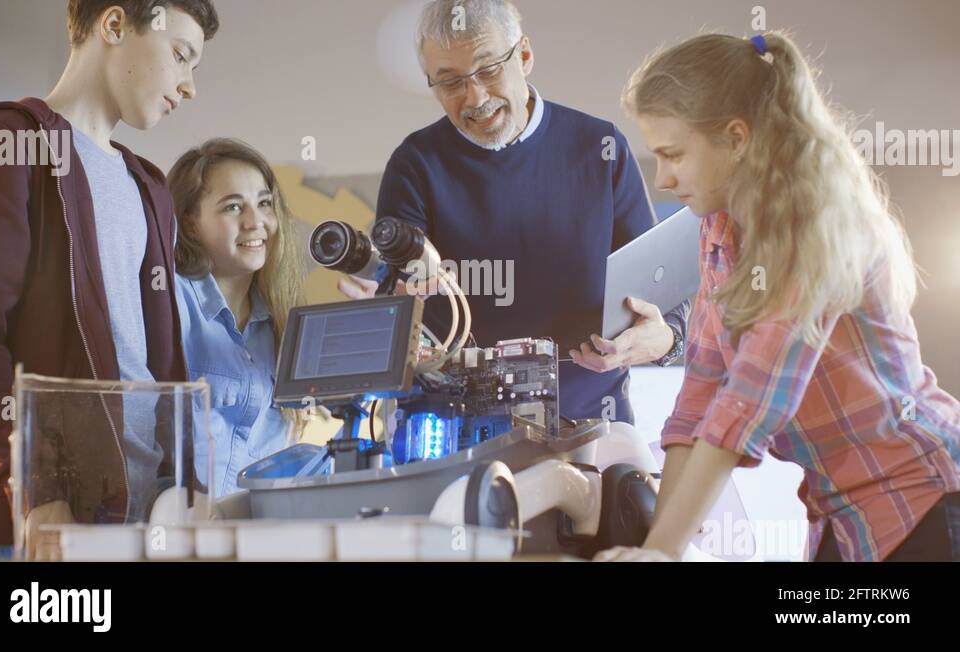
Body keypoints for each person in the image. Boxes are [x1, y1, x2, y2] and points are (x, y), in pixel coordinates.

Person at [597, 32, 960, 562]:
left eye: (673, 154)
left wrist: (663, 552)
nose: (664, 178)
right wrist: (657, 548)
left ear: (737, 138)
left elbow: (748, 404)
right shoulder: (718, 229)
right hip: (838, 512)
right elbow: (700, 398)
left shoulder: (812, 226)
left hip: (921, 500)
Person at [340, 0, 690, 426]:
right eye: (450, 83)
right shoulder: (415, 164)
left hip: (591, 421)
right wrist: (385, 314)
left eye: (488, 70)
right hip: (455, 427)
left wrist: (664, 339)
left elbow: (660, 293)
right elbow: (399, 288)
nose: (476, 98)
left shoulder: (600, 147)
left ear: (523, 56)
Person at [0, 0, 219, 561]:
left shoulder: (149, 185)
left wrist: (183, 489)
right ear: (114, 24)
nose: (189, 85)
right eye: (181, 56)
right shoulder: (5, 140)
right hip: (39, 525)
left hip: (145, 519)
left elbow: (162, 364)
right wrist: (32, 484)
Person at [169, 138, 317, 498]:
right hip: (177, 534)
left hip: (259, 535)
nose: (256, 222)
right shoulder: (169, 300)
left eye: (264, 203)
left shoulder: (282, 321)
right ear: (190, 223)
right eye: (233, 207)